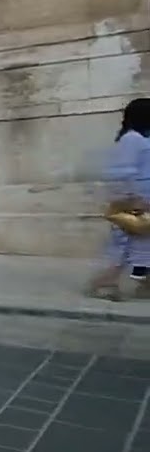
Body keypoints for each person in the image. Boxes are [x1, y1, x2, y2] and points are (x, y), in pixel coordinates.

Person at [87, 97, 150, 300]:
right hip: (134, 204)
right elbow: (123, 172)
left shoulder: (142, 138)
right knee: (124, 247)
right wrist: (134, 198)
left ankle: (145, 286)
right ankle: (102, 284)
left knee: (141, 246)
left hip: (143, 201)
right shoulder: (132, 139)